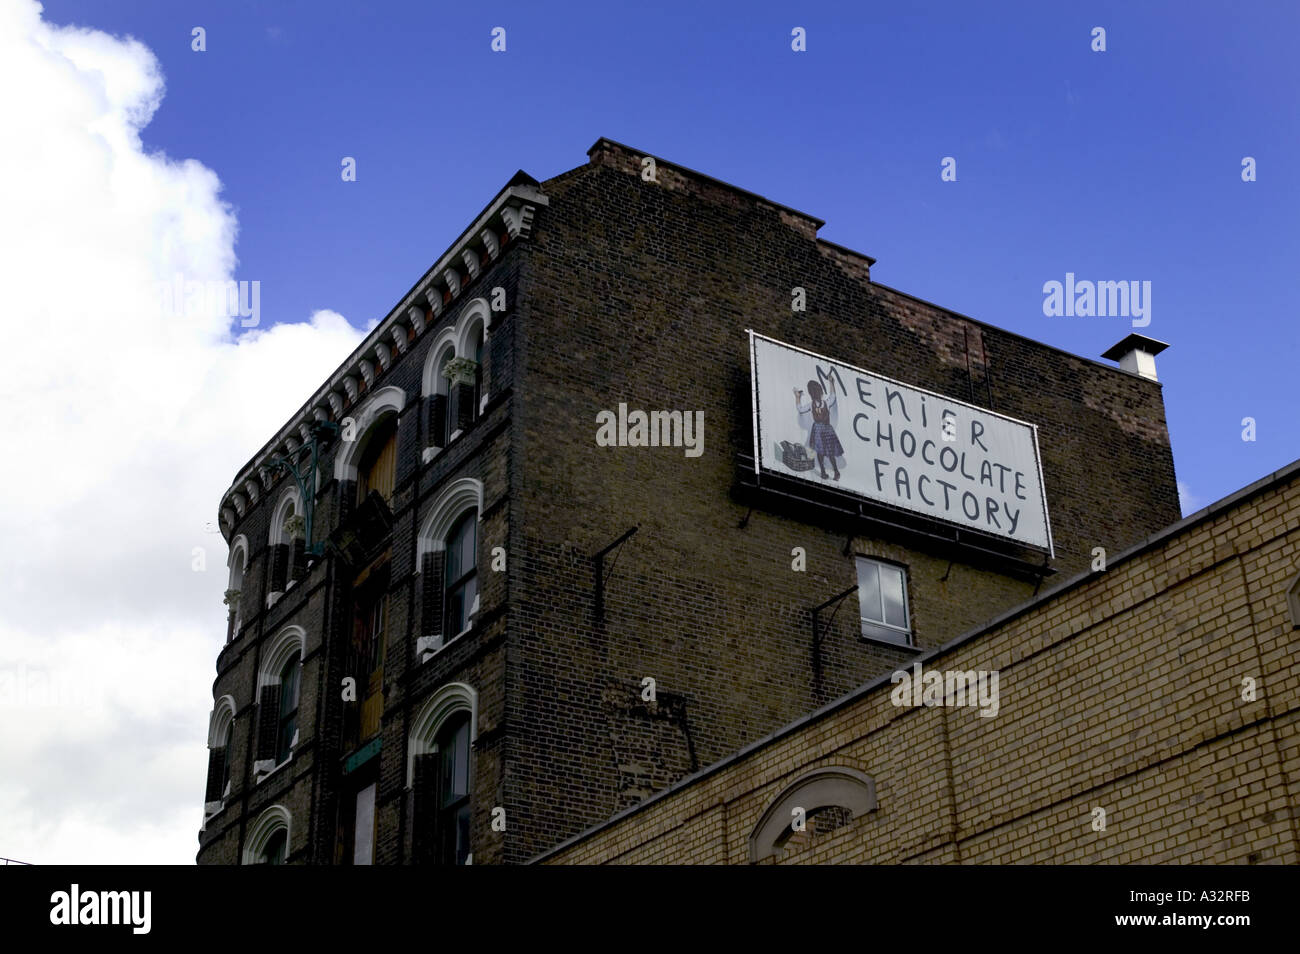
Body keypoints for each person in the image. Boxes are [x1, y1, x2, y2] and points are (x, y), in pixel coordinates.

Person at [793, 380, 844, 480]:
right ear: (820, 392)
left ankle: (827, 472)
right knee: (826, 452)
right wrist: (832, 383)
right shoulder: (825, 403)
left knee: (823, 452)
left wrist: (797, 397)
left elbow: (800, 409)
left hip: (820, 430)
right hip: (825, 430)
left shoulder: (814, 404)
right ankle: (831, 471)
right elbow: (833, 396)